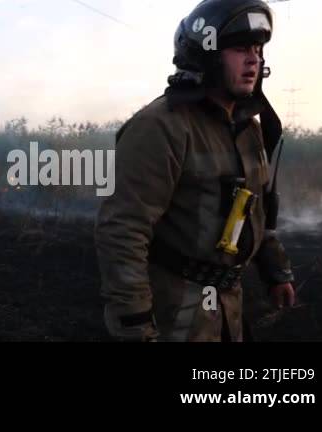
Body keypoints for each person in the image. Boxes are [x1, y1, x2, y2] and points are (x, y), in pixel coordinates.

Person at [95, 0, 296, 342]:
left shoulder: (249, 129)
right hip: (173, 314)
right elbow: (123, 231)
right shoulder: (161, 127)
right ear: (207, 55)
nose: (254, 59)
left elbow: (253, 209)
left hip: (227, 307)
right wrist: (134, 325)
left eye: (258, 48)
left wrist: (276, 271)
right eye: (239, 48)